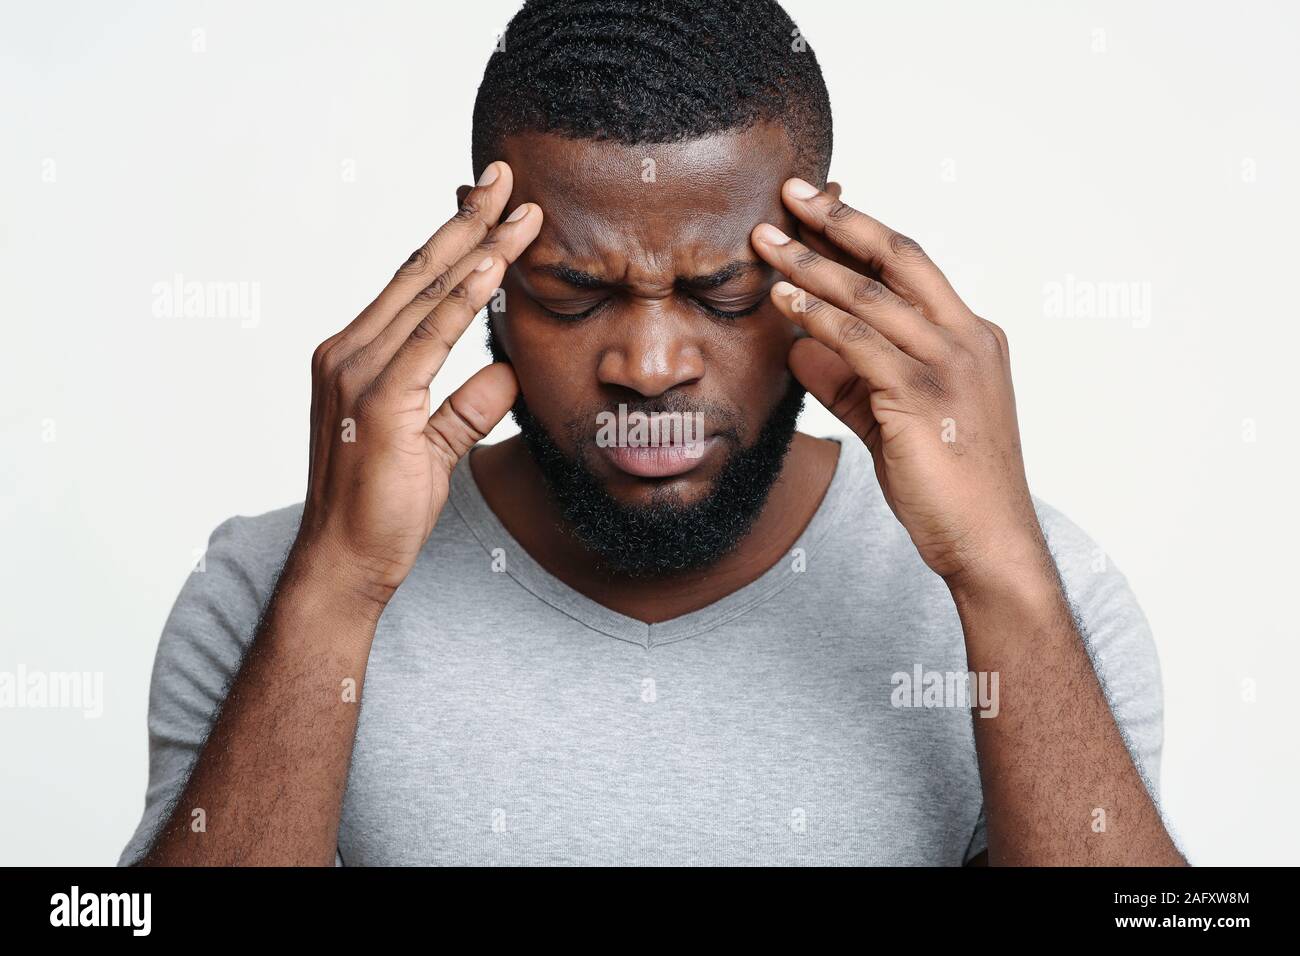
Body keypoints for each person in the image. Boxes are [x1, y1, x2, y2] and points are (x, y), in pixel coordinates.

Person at [119, 0, 1184, 866]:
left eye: (722, 290)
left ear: (824, 244)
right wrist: (335, 587)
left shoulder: (1042, 598)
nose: (649, 364)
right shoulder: (272, 589)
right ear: (478, 254)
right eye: (574, 292)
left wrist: (999, 576)